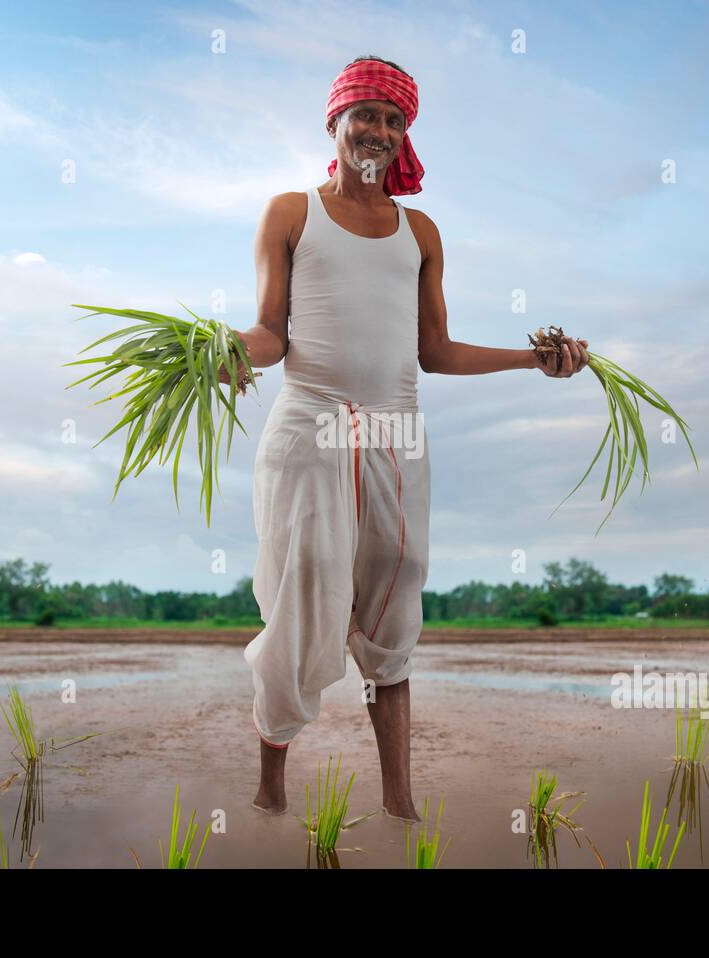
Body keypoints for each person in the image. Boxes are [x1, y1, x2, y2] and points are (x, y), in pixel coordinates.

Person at [219, 55, 589, 821]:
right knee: (304, 597)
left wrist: (534, 361)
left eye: (395, 120)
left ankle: (400, 803)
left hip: (397, 436)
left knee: (397, 597)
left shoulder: (420, 231)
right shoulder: (292, 212)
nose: (379, 132)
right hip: (310, 429)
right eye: (367, 115)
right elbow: (268, 334)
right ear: (335, 121)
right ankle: (269, 791)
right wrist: (222, 357)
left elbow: (435, 352)